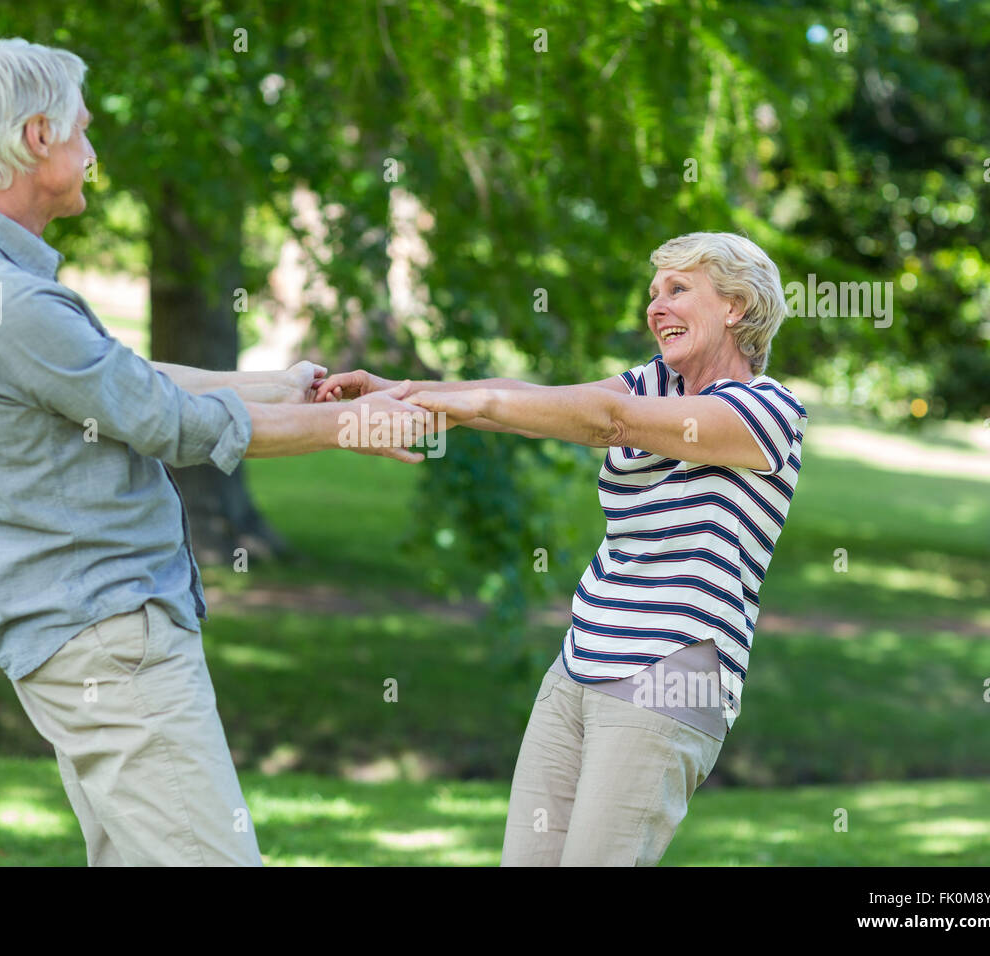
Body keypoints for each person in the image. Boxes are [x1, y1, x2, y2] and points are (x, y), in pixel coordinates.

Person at [0, 38, 429, 866]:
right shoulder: (11, 300)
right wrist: (354, 427)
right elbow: (170, 423)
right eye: (82, 130)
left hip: (65, 637)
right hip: (107, 637)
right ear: (38, 138)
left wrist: (279, 385)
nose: (92, 151)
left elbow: (111, 378)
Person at [316, 231, 808, 866]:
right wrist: (403, 389)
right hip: (578, 664)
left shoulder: (767, 412)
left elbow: (608, 421)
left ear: (735, 306)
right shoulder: (651, 383)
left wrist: (473, 401)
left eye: (678, 290)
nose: (655, 306)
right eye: (653, 293)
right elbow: (537, 405)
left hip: (668, 674)